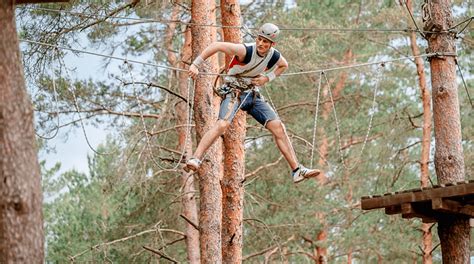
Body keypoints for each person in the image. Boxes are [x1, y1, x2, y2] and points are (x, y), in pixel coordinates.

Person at [186, 23, 320, 183]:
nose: (261, 44)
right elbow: (216, 45)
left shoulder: (274, 56)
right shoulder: (245, 50)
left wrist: (267, 78)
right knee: (222, 125)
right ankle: (196, 158)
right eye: (260, 39)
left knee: (278, 127)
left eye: (265, 42)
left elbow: (284, 65)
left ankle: (297, 170)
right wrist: (195, 64)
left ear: (272, 44)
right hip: (233, 92)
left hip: (252, 94)